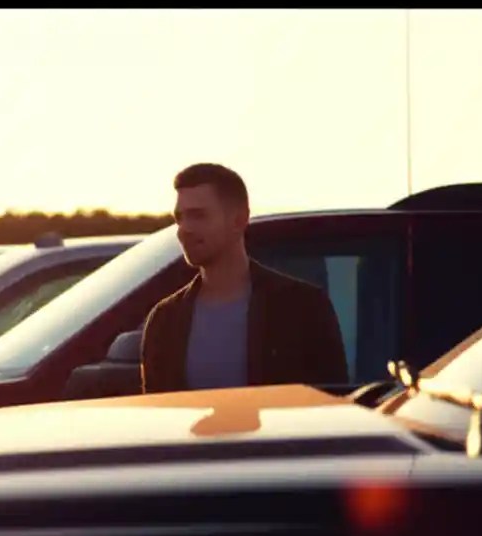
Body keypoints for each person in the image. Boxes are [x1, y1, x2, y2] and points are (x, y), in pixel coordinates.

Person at [140, 162, 350, 394]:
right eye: (179, 218)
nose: (184, 229)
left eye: (198, 216)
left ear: (239, 220)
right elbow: (158, 411)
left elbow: (332, 405)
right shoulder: (165, 320)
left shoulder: (302, 308)